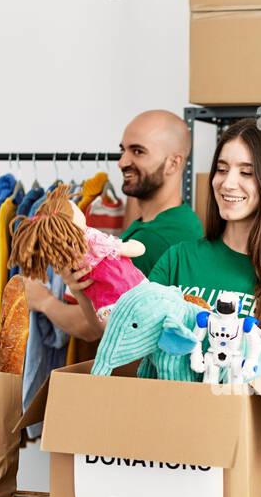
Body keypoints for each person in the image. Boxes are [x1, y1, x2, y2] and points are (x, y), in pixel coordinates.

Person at [147, 118, 261, 497]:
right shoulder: (179, 259)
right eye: (222, 169)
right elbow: (132, 334)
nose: (228, 184)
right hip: (175, 468)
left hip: (257, 477)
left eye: (247, 173)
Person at [23, 109, 202, 340]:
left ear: (173, 164)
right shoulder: (174, 220)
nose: (122, 162)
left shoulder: (156, 238)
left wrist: (43, 301)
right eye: (123, 150)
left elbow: (94, 328)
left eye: (138, 151)